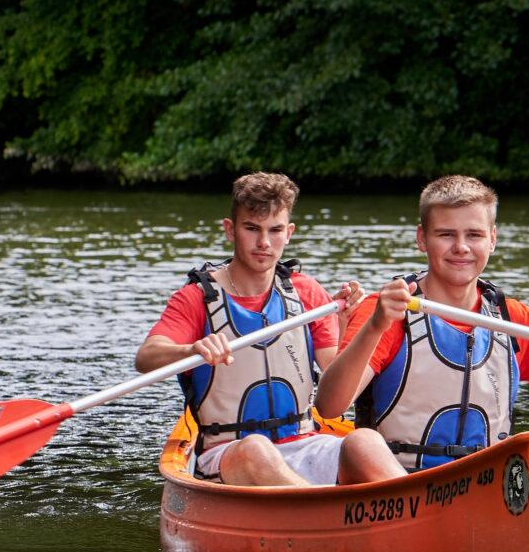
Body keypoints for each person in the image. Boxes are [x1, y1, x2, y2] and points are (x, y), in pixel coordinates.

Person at [315, 175, 529, 474]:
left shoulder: (512, 318)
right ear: (422, 239)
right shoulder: (387, 310)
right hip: (396, 487)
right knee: (360, 442)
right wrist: (375, 326)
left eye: (474, 235)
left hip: (480, 483)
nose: (461, 247)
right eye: (446, 234)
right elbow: (329, 406)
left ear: (492, 239)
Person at [136, 172, 405, 487]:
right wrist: (191, 349)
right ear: (230, 229)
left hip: (303, 441)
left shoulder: (307, 293)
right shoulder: (196, 298)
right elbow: (147, 357)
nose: (264, 243)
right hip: (227, 453)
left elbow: (334, 384)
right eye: (252, 229)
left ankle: (419, 518)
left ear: (288, 233)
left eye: (275, 230)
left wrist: (351, 327)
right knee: (256, 449)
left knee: (365, 441)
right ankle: (323, 515)